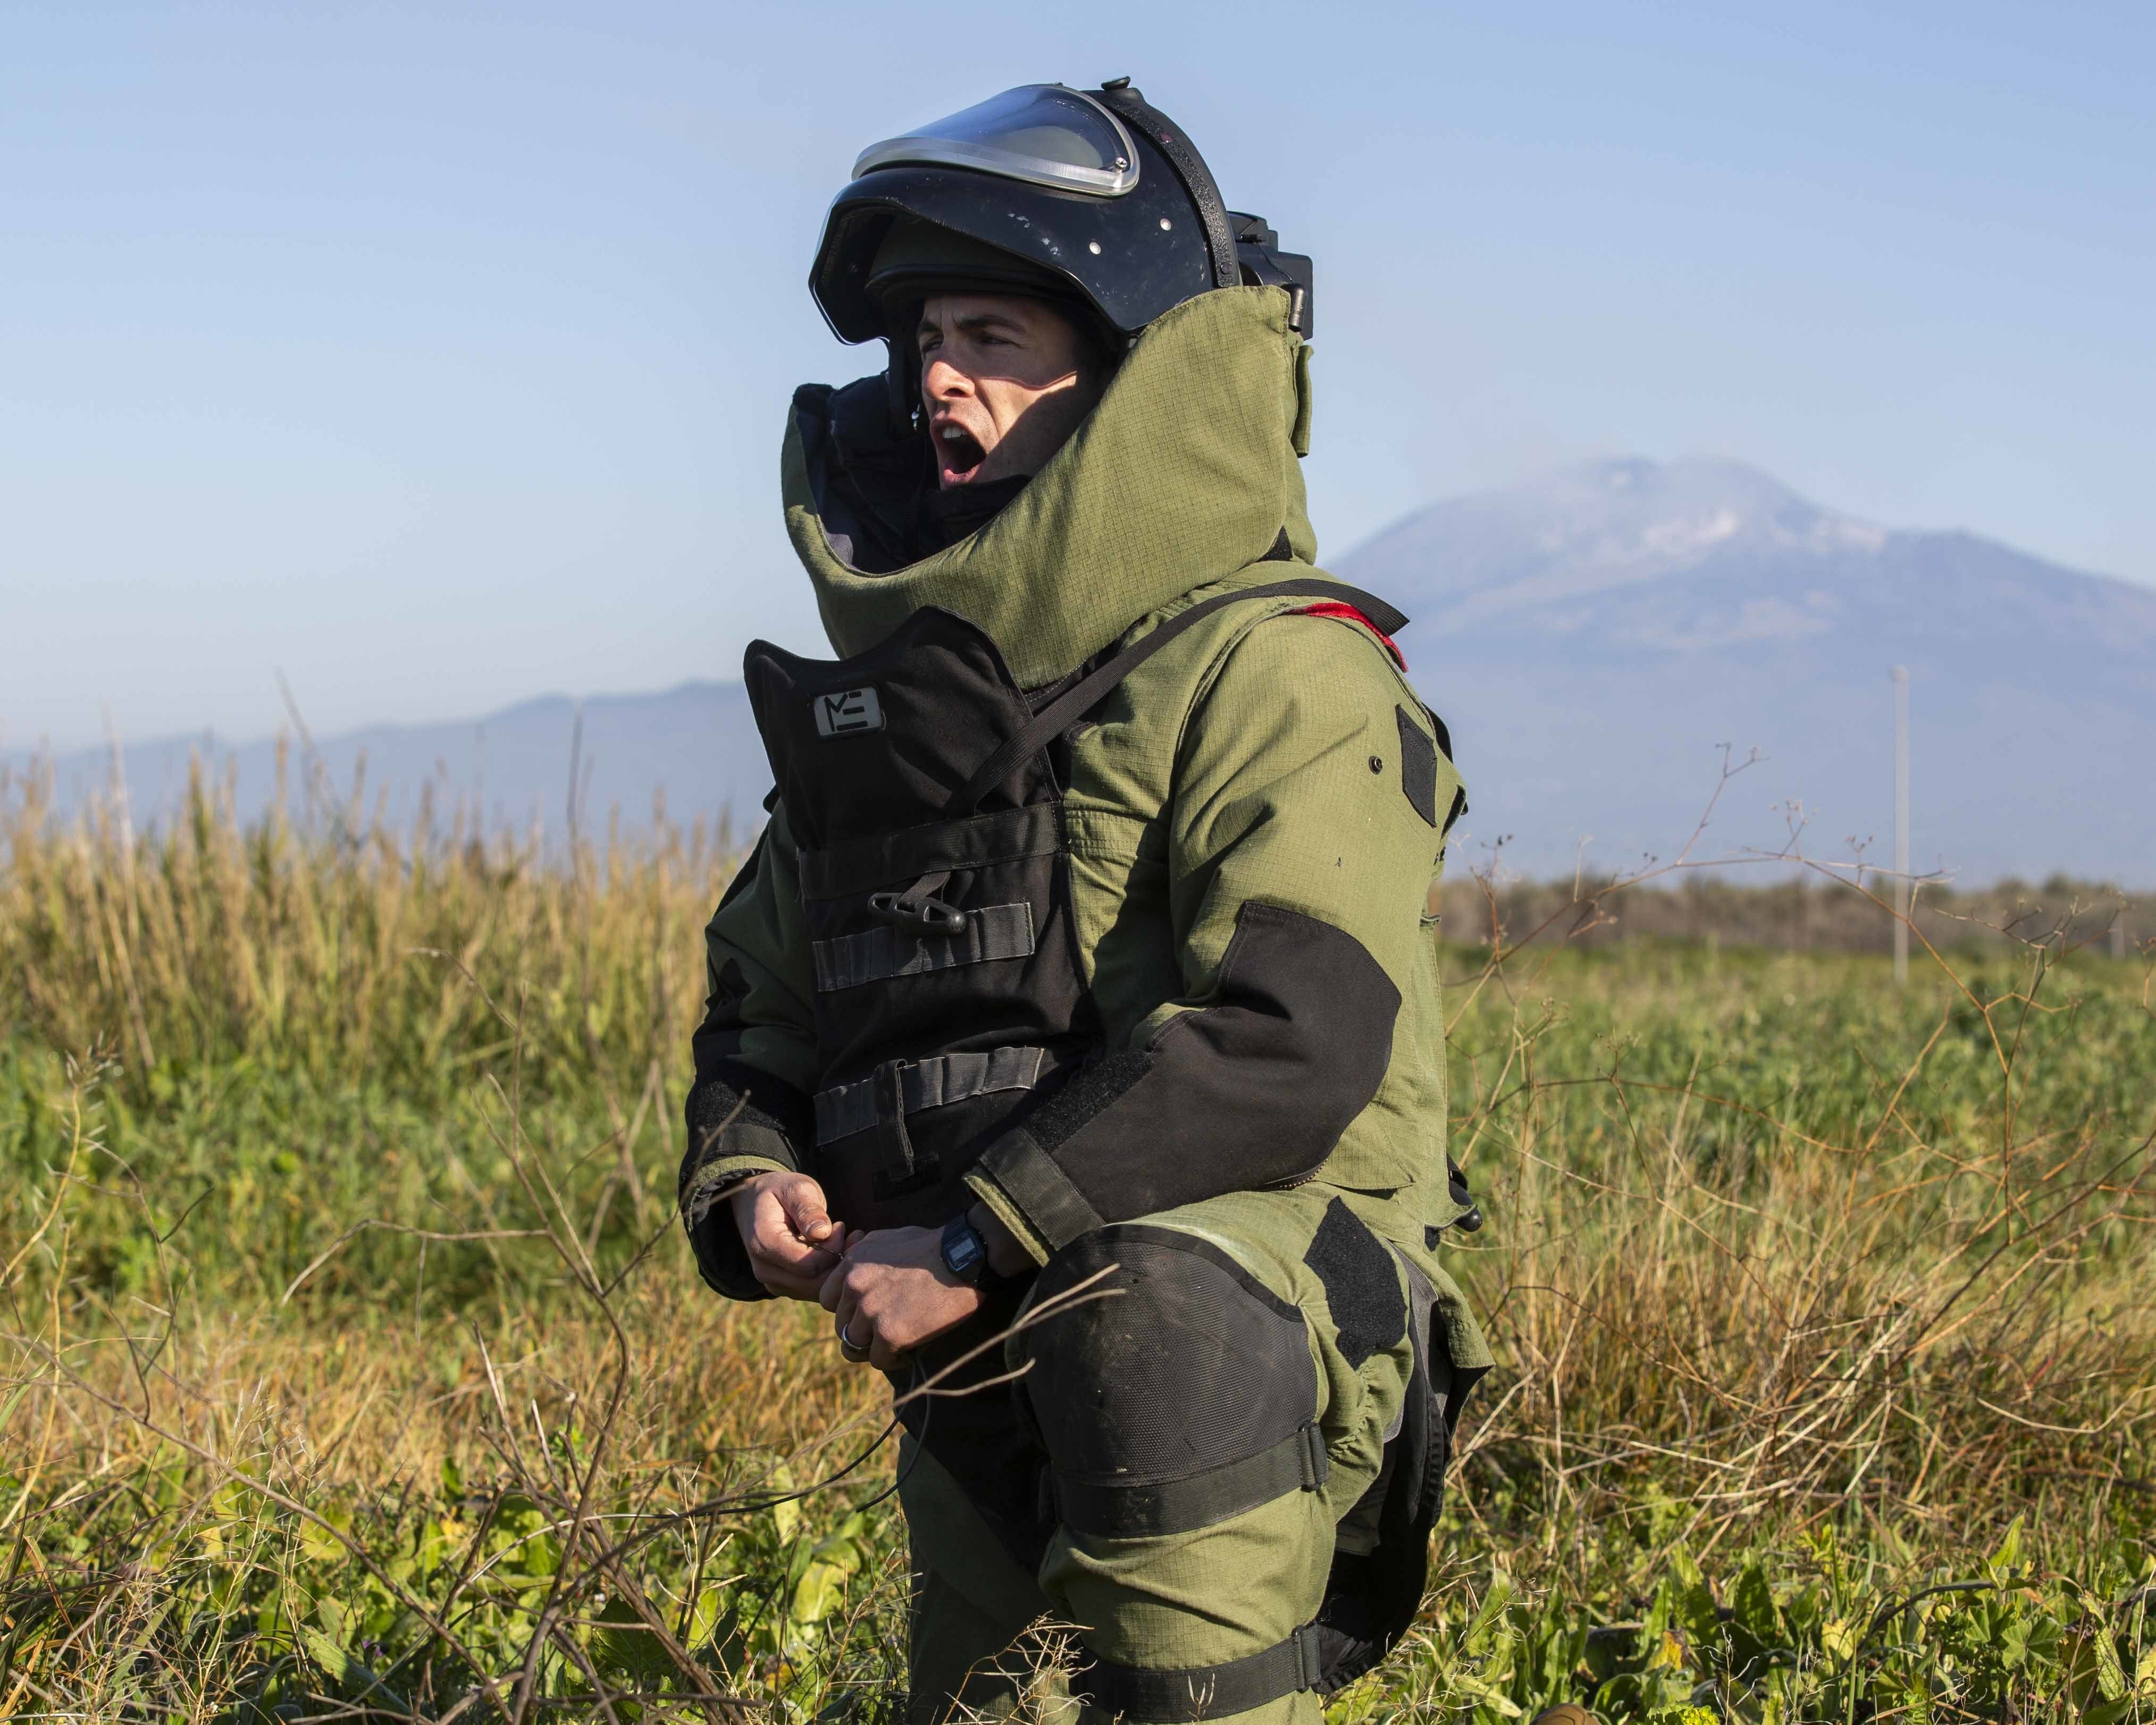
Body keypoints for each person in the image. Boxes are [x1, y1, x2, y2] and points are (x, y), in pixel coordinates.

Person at [678, 80, 1491, 1724]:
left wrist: (972, 1232)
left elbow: (1292, 1041)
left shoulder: (1285, 671)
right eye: (924, 342)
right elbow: (763, 1003)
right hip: (982, 1327)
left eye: (994, 335)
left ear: (1128, 375)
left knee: (1148, 1306)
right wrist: (752, 1176)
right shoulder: (926, 712)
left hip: (1259, 1315)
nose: (939, 377)